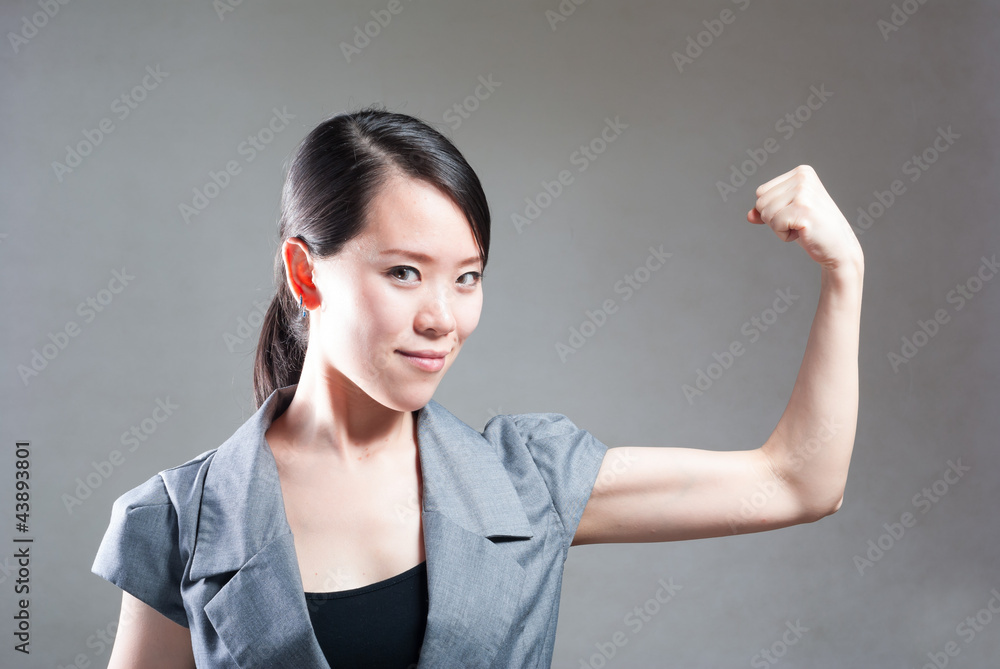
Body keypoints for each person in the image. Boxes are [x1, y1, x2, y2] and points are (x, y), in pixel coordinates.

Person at [91, 104, 864, 668]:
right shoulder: (179, 523)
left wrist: (845, 274)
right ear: (305, 272)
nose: (442, 317)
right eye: (404, 272)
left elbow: (797, 481)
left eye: (467, 278)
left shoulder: (530, 480)